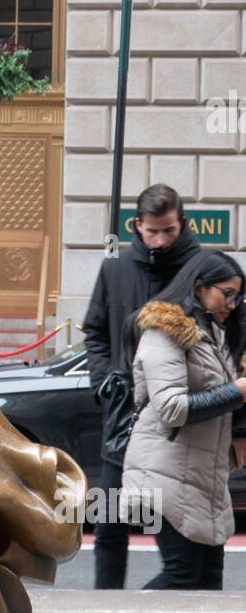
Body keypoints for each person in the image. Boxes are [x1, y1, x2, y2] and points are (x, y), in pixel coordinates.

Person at [82, 184, 200, 588]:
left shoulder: (200, 268)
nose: (160, 240)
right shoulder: (115, 266)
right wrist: (104, 381)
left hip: (176, 424)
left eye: (168, 230)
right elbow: (94, 332)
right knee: (110, 528)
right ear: (137, 225)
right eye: (152, 231)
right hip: (122, 419)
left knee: (179, 546)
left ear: (182, 223)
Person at [119, 251, 246, 590]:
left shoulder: (211, 336)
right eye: (228, 293)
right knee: (182, 575)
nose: (233, 304)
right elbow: (171, 408)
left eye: (239, 296)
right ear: (200, 288)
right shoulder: (164, 332)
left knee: (208, 582)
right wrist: (237, 391)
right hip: (165, 473)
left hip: (202, 477)